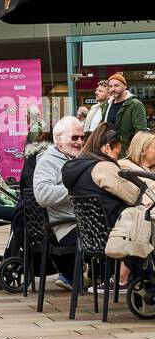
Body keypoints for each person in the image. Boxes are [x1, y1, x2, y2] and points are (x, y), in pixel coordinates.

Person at [63, 123, 145, 289]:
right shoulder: (103, 167)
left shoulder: (78, 168)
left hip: (92, 236)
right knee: (147, 216)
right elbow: (135, 196)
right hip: (115, 233)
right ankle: (133, 279)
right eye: (117, 151)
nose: (117, 156)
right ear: (107, 147)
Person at [32, 115, 86, 283]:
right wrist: (75, 190)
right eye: (74, 138)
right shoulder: (48, 160)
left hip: (82, 222)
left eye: (82, 137)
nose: (80, 142)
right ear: (58, 140)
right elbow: (42, 194)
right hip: (67, 225)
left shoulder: (75, 158)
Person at [102, 72, 148, 153]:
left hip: (127, 151)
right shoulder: (107, 105)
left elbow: (140, 132)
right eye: (110, 86)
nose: (113, 89)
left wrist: (134, 152)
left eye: (116, 85)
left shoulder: (135, 104)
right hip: (109, 150)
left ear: (125, 86)